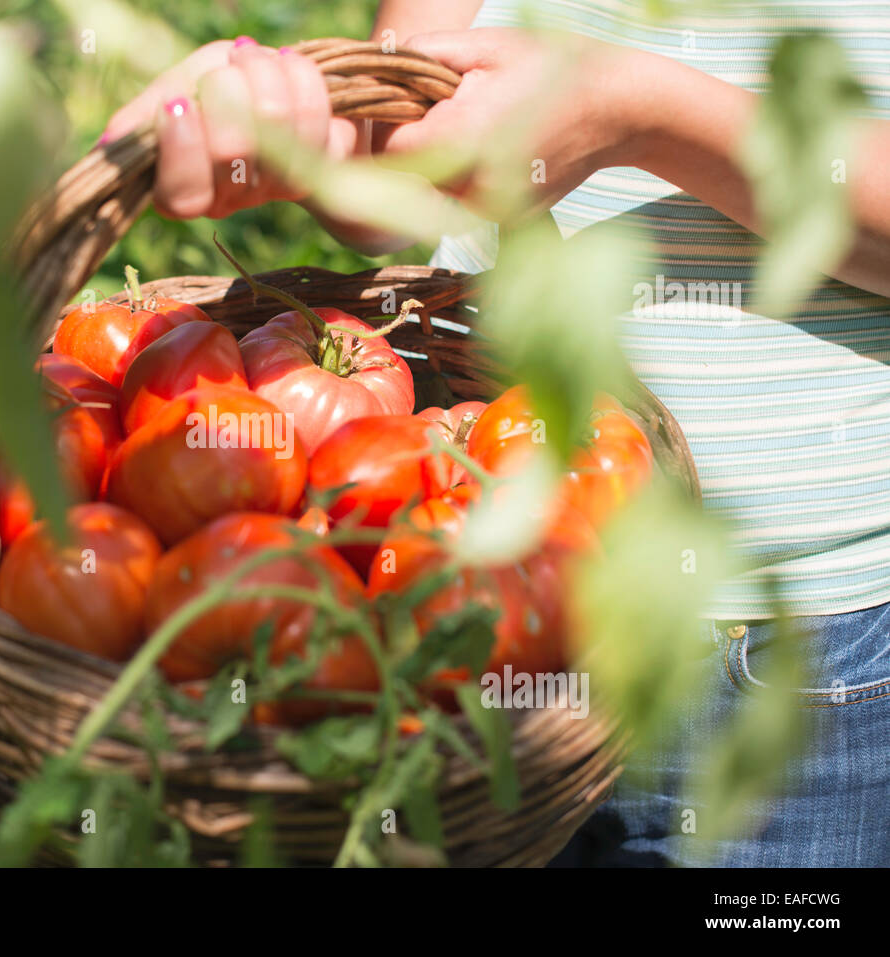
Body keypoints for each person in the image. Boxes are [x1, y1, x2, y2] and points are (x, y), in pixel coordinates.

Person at [99, 0, 890, 867]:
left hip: (793, 647)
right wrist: (314, 140)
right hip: (455, 606)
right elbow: (409, 143)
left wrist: (643, 113)